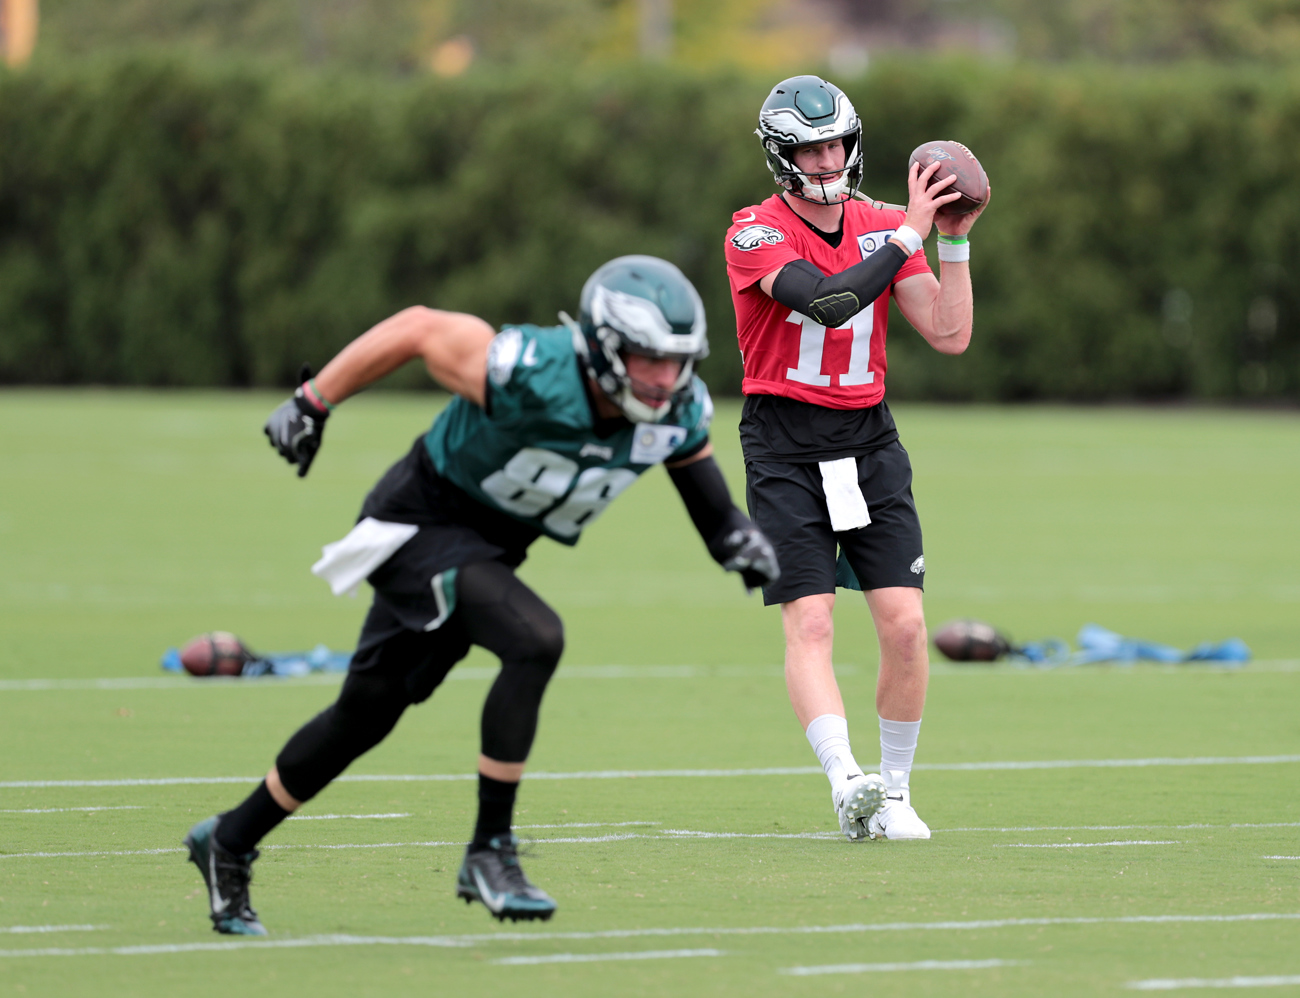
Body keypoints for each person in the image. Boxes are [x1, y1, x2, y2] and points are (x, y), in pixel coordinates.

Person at [183, 255, 779, 933]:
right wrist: (313, 400)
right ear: (604, 346)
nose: (665, 378)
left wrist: (740, 541)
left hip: (487, 551)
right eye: (648, 359)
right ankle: (489, 851)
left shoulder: (676, 409)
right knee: (535, 639)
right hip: (419, 525)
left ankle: (228, 841)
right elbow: (416, 328)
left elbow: (708, 499)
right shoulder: (532, 371)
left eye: (677, 361)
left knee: (363, 716)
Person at [723, 76, 988, 842]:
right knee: (810, 624)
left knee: (905, 626)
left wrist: (952, 239)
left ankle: (896, 795)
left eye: (836, 142)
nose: (828, 157)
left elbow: (948, 331)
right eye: (811, 147)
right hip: (784, 443)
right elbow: (829, 301)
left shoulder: (881, 223)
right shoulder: (753, 231)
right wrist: (909, 232)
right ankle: (847, 783)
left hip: (868, 440)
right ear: (782, 155)